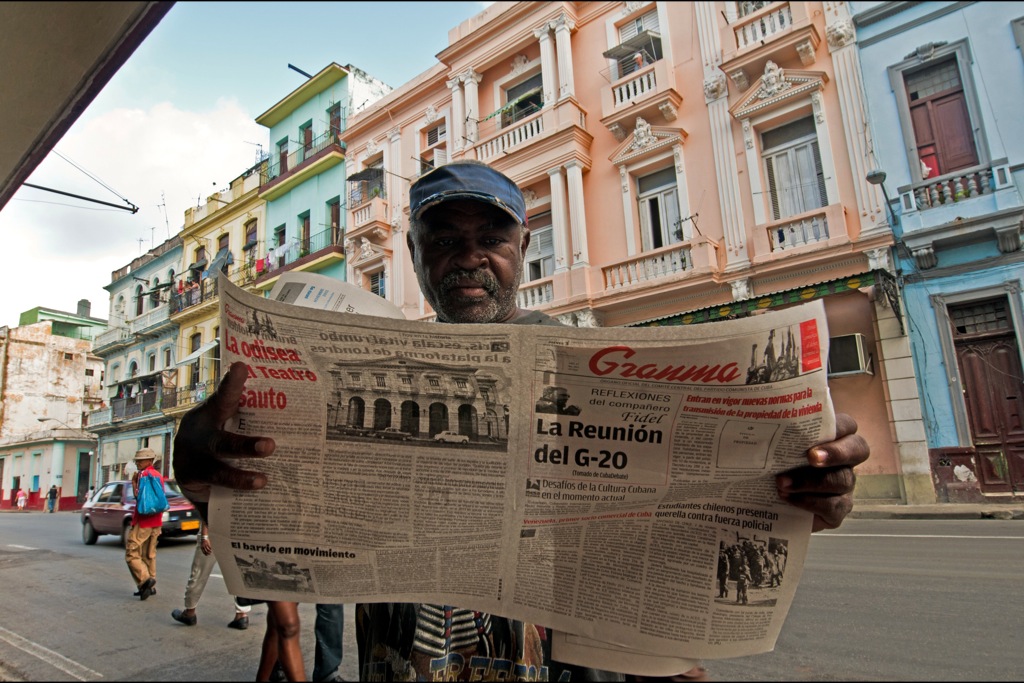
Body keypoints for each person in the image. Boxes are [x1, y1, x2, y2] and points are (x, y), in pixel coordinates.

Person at [173, 160, 869, 681]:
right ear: (413, 258)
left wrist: (810, 487)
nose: (468, 256)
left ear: (522, 248)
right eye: (442, 240)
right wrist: (197, 462)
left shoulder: (595, 365)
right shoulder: (356, 369)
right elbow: (263, 510)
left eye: (490, 238)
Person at [171, 520, 252, 629]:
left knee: (199, 573)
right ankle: (242, 615)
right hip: (236, 531)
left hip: (214, 532)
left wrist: (204, 536)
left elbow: (209, 507)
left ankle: (189, 612)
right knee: (237, 574)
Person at [126, 447, 163, 600]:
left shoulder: (144, 475)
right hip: (156, 521)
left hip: (143, 521)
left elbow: (139, 497)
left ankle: (145, 580)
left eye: (140, 460)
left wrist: (134, 483)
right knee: (150, 554)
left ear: (149, 461)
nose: (138, 463)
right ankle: (150, 587)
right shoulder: (158, 475)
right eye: (137, 461)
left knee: (131, 553)